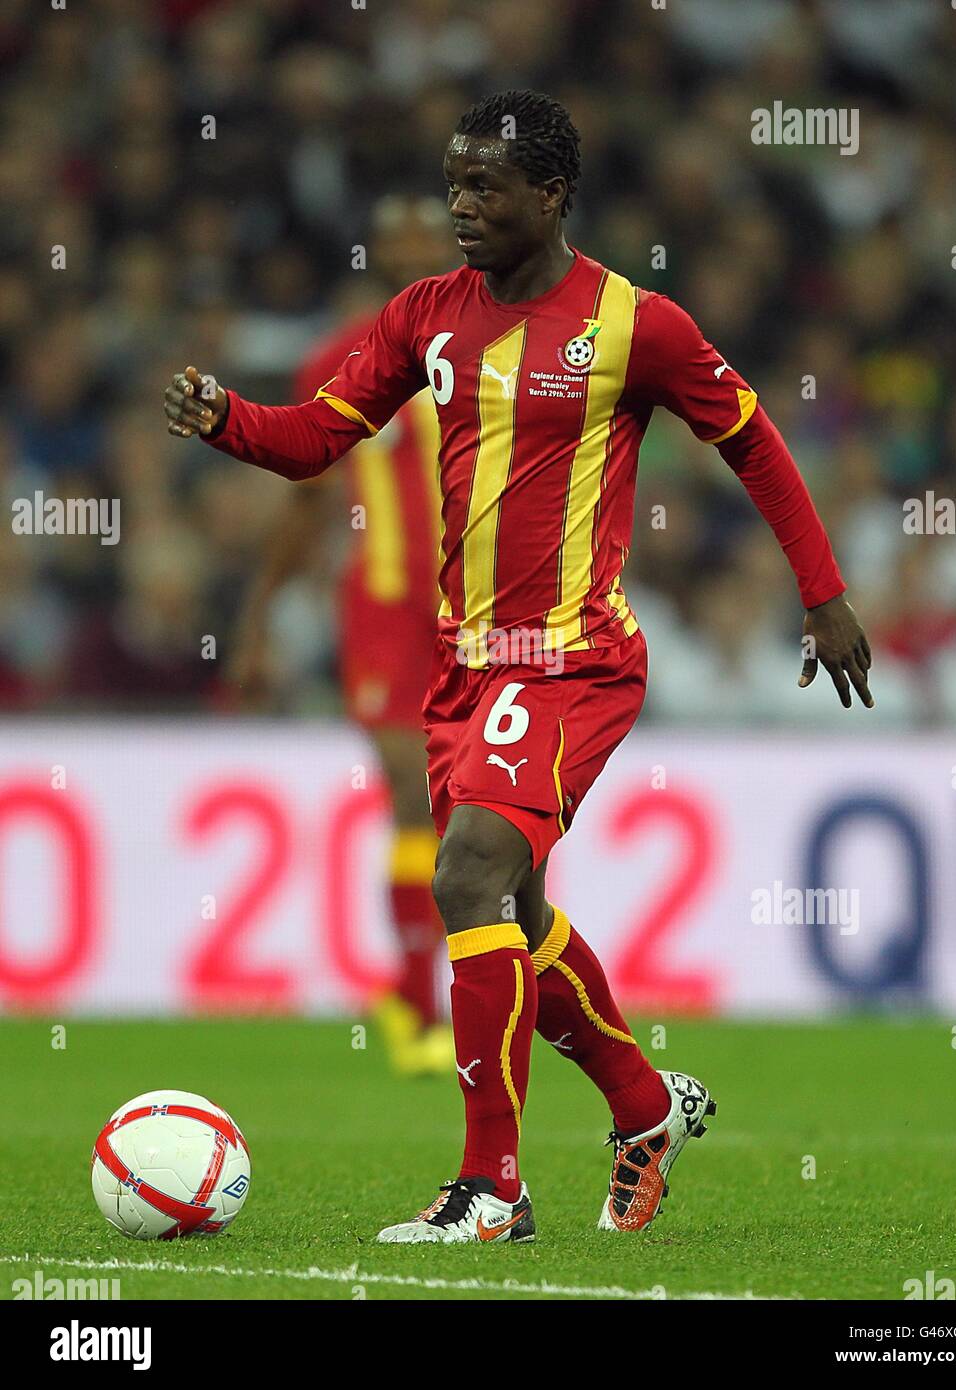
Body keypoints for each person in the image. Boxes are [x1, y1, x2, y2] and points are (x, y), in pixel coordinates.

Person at [165, 89, 873, 1244]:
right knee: (521, 922)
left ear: (551, 194)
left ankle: (491, 1186)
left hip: (575, 663)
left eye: (485, 186)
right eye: (453, 183)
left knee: (465, 877)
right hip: (463, 671)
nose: (461, 206)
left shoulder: (636, 326)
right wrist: (224, 418)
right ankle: (646, 1110)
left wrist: (824, 592)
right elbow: (316, 438)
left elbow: (752, 435)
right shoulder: (423, 316)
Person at [229, 195, 456, 1077]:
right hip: (384, 610)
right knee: (411, 790)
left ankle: (425, 993)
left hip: (482, 612)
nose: (411, 252)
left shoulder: (500, 346)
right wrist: (255, 622)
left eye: (425, 239)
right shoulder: (343, 359)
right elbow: (308, 497)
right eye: (395, 239)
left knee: (468, 813)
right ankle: (414, 999)